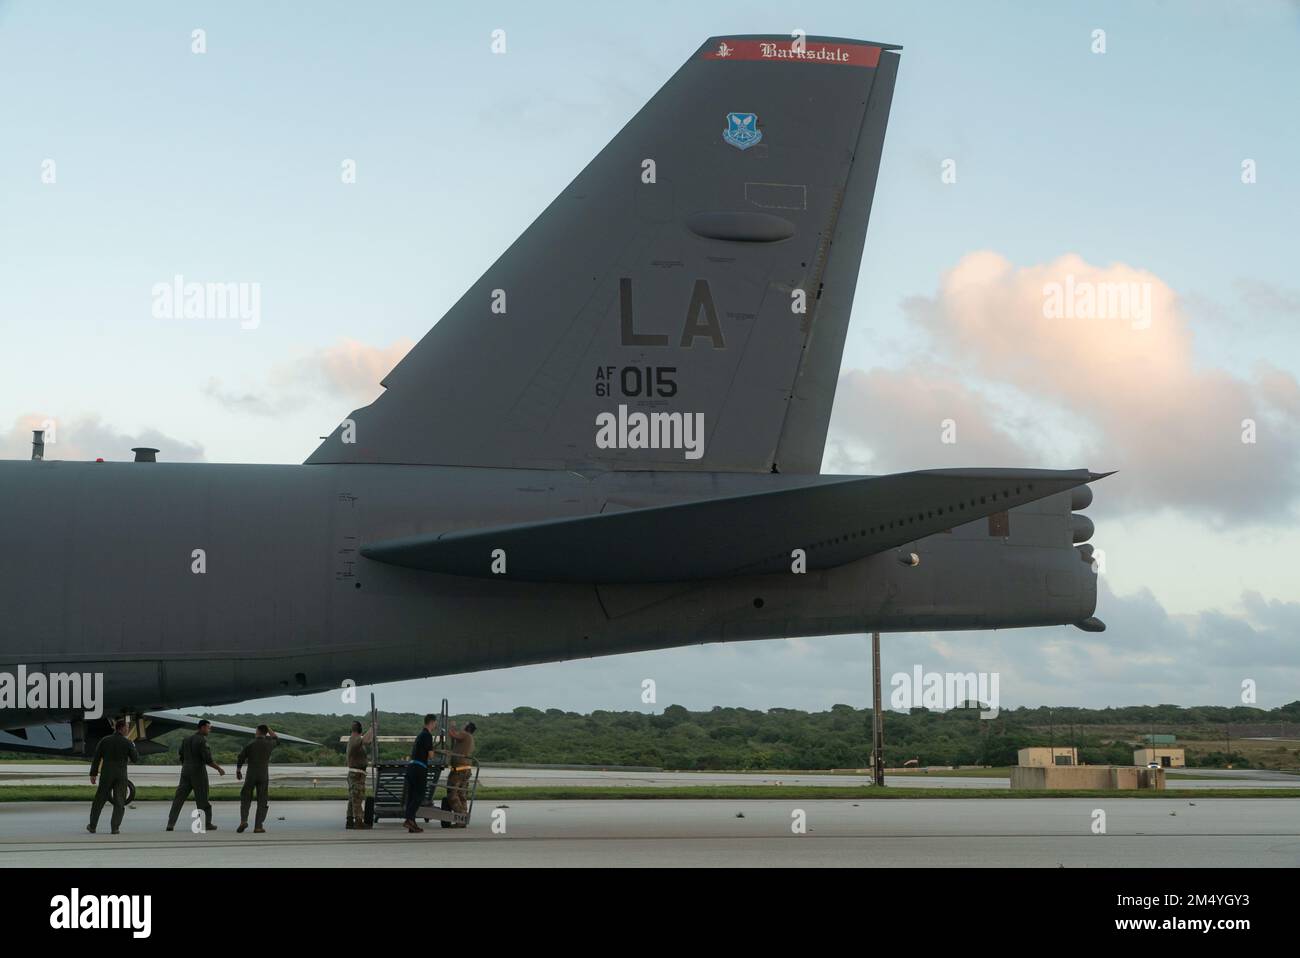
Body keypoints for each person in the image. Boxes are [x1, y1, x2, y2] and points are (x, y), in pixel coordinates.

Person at [166, 719, 225, 831]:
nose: (209, 729)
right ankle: (206, 823)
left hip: (185, 770)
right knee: (202, 799)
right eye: (208, 727)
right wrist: (219, 769)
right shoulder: (202, 741)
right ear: (202, 727)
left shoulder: (186, 739)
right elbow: (208, 759)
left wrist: (187, 765)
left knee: (179, 799)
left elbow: (181, 755)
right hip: (198, 771)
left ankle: (171, 823)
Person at [87, 718, 139, 834]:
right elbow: (135, 759)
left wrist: (93, 774)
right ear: (123, 728)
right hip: (121, 774)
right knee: (120, 800)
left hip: (107, 773)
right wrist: (133, 746)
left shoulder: (105, 740)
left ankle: (92, 826)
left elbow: (97, 758)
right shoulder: (128, 742)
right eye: (127, 727)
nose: (128, 729)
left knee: (99, 800)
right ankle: (115, 827)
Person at [236, 725, 279, 833]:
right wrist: (269, 728)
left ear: (258, 732)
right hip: (263, 774)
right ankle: (258, 826)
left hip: (251, 774)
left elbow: (241, 757)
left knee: (246, 797)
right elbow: (277, 739)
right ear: (266, 733)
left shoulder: (251, 744)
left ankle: (243, 821)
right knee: (262, 800)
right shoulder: (270, 743)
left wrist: (238, 770)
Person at [403, 714, 438, 833]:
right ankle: (409, 819)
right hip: (419, 768)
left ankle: (411, 821)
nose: (435, 725)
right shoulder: (427, 735)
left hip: (411, 767)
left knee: (412, 796)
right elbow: (431, 755)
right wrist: (435, 751)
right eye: (435, 723)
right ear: (432, 722)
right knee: (419, 795)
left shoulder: (420, 735)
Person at [444, 721, 476, 827]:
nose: (462, 725)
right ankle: (463, 820)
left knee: (452, 794)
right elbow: (455, 739)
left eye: (464, 724)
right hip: (466, 769)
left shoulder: (465, 734)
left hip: (459, 769)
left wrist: (452, 726)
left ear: (467, 727)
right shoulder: (469, 737)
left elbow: (452, 734)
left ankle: (461, 816)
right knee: (462, 795)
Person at [346, 719, 375, 830]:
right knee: (357, 798)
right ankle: (358, 821)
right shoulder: (355, 739)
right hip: (357, 774)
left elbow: (368, 740)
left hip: (355, 773)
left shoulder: (353, 740)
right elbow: (367, 740)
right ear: (360, 730)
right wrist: (372, 728)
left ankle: (349, 820)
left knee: (352, 798)